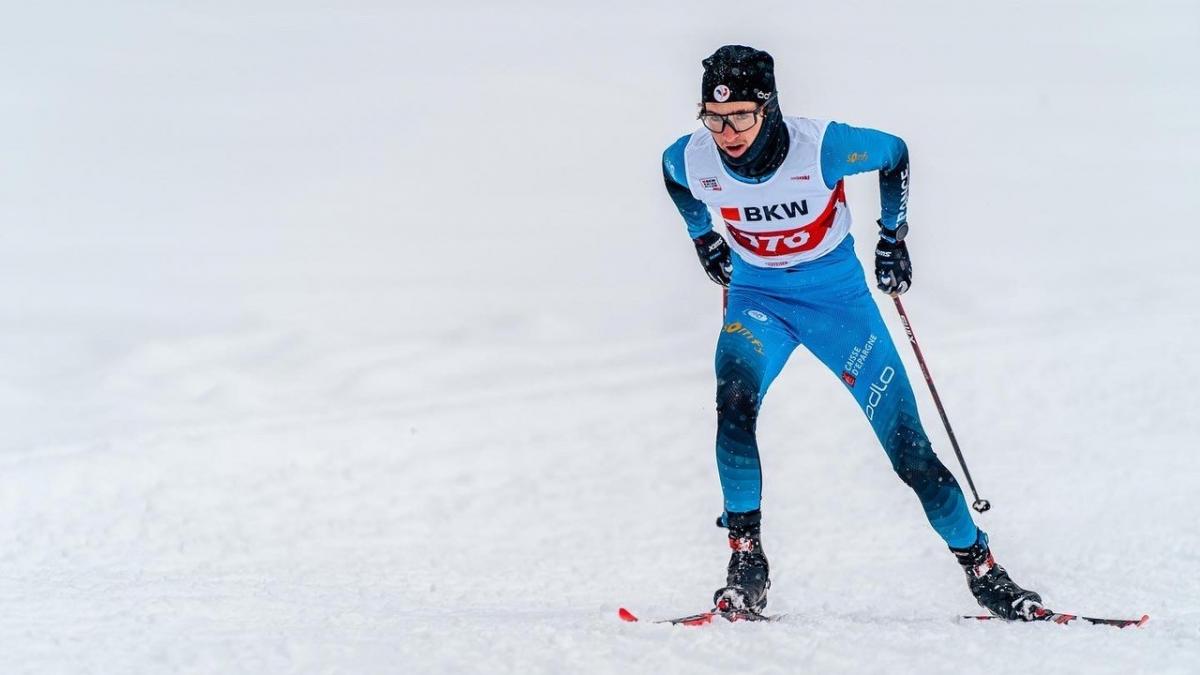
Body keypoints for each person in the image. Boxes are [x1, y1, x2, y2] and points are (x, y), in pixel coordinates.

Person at [661, 45, 1043, 620]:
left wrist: (892, 236)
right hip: (758, 302)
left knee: (910, 452)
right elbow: (673, 176)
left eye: (740, 115)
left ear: (769, 106)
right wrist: (702, 236)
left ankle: (985, 572)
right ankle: (746, 564)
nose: (727, 133)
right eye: (713, 118)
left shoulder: (822, 148)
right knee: (733, 404)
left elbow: (894, 154)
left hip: (838, 306)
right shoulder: (693, 158)